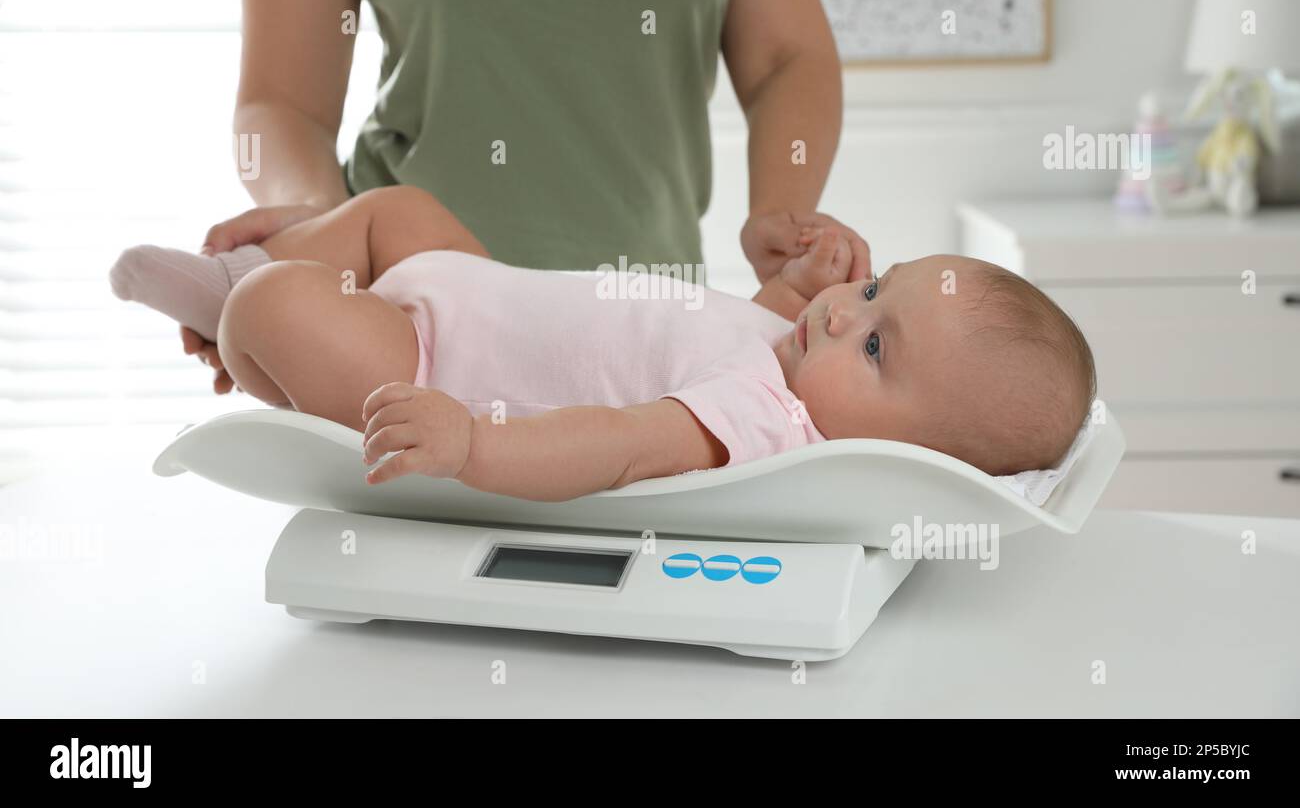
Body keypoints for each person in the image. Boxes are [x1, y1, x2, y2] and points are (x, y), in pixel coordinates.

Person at [185, 0, 870, 393]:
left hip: (650, 324)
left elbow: (790, 56)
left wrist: (783, 215)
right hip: (408, 321)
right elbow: (280, 103)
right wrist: (322, 239)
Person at [113, 185, 1096, 499]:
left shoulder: (762, 428)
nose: (844, 311)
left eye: (877, 346)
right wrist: (795, 284)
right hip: (476, 287)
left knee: (277, 310)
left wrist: (474, 445)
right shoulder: (790, 366)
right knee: (396, 210)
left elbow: (623, 439)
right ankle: (258, 252)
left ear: (901, 455)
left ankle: (228, 298)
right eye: (876, 289)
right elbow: (718, 336)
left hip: (427, 370)